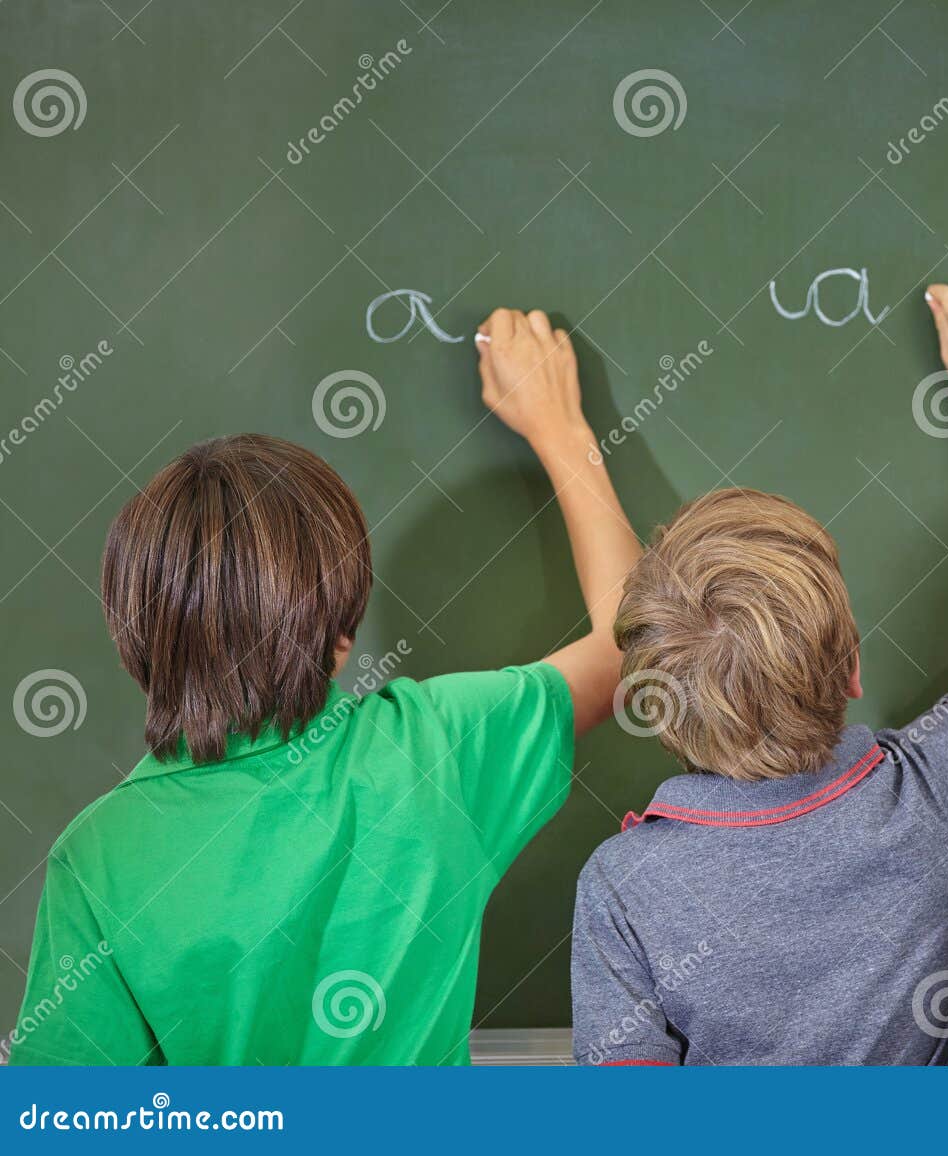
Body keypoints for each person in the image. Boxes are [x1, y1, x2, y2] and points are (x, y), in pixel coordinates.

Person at [9, 309, 639, 1065]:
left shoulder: (102, 858)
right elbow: (628, 645)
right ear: (340, 641)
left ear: (133, 640)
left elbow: (68, 1123)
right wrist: (558, 426)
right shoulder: (437, 747)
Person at [570, 283, 948, 1064]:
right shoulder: (923, 793)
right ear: (854, 672)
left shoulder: (624, 886)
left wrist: (564, 436)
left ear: (652, 706)